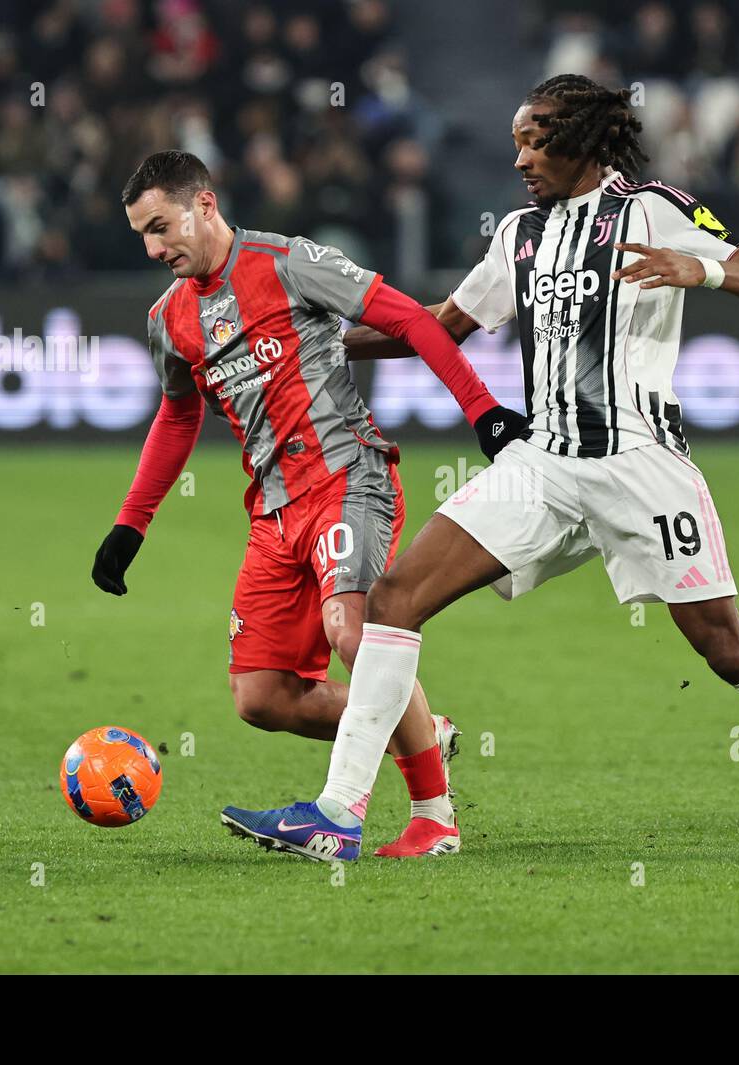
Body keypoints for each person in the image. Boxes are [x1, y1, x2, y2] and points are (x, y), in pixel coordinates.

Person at [219, 76, 739, 862]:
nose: (519, 158)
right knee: (395, 597)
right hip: (542, 463)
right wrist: (309, 348)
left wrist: (702, 271)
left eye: (534, 139)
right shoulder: (519, 234)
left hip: (640, 466)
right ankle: (347, 814)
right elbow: (440, 324)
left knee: (726, 648)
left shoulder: (653, 208)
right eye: (516, 140)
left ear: (581, 137)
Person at [92, 150, 525, 858]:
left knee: (356, 630)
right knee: (261, 696)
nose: (153, 247)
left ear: (204, 204)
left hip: (348, 478)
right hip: (272, 512)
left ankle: (434, 817)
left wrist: (483, 412)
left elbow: (413, 321)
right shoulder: (170, 319)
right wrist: (130, 524)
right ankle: (414, 728)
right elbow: (177, 418)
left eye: (162, 226)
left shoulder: (290, 262)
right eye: (142, 233)